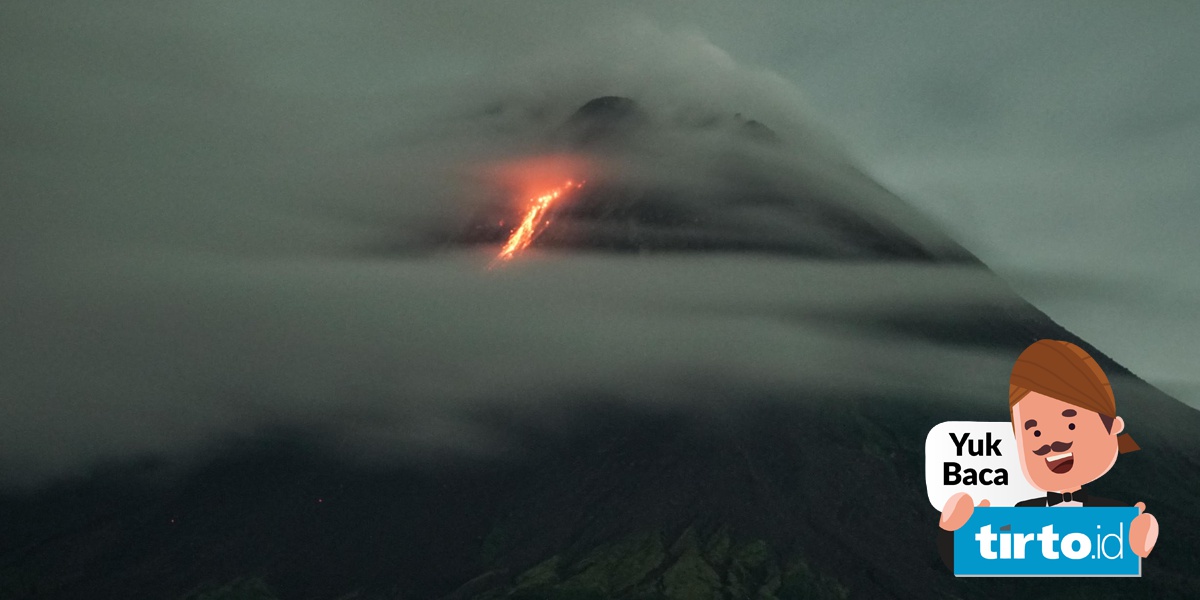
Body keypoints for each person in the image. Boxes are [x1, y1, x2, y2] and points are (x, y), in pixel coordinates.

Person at [936, 339, 1159, 570]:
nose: (1051, 443)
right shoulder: (1020, 514)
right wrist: (956, 532)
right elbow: (971, 558)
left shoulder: (1116, 518)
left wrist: (1138, 542)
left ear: (1112, 426)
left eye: (1070, 425)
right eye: (1035, 431)